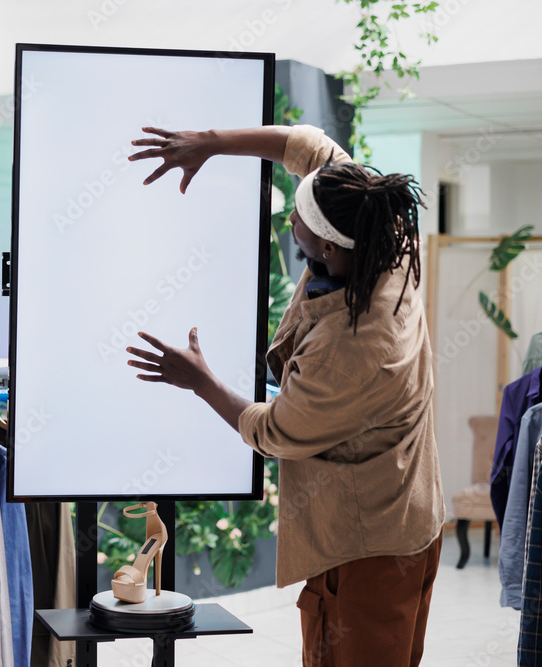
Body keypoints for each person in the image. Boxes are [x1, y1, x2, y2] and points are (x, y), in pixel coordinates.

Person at [126, 124, 444, 666]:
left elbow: (274, 431)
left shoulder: (352, 344)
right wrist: (210, 142)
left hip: (368, 549)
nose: (290, 220)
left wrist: (200, 381)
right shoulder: (382, 233)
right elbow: (309, 147)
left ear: (327, 245)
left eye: (298, 219)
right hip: (408, 518)